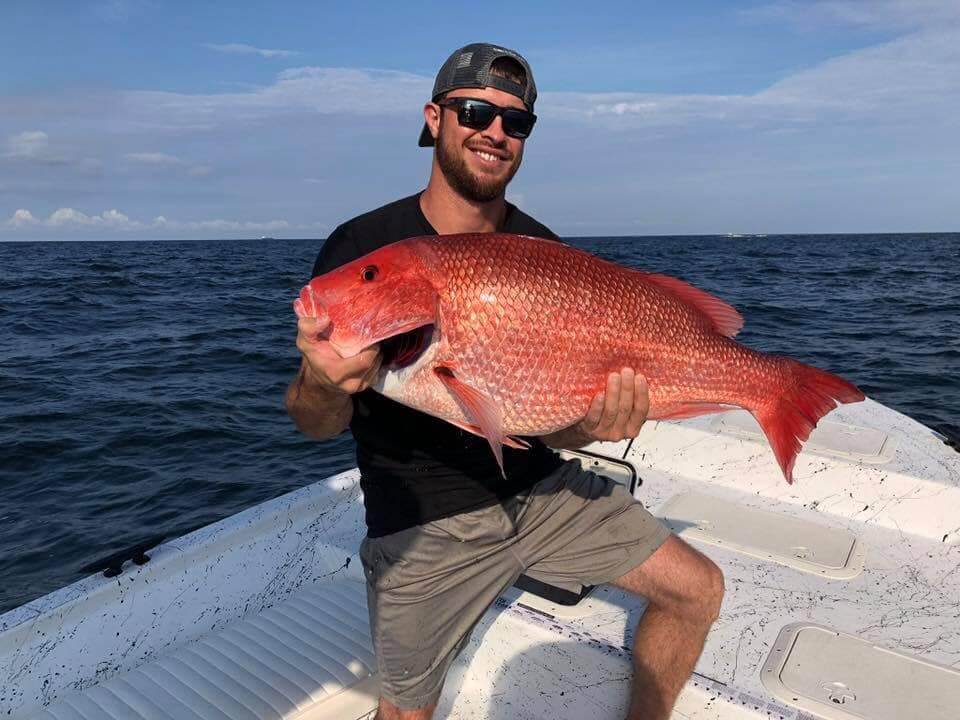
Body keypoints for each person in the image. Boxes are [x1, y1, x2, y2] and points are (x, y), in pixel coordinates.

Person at [286, 43, 724, 720]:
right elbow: (313, 423)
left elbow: (554, 417)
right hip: (426, 524)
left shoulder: (539, 248)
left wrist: (599, 421)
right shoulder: (366, 246)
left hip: (538, 490)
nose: (495, 132)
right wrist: (323, 382)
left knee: (698, 589)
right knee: (404, 712)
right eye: (475, 112)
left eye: (515, 123)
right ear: (434, 119)